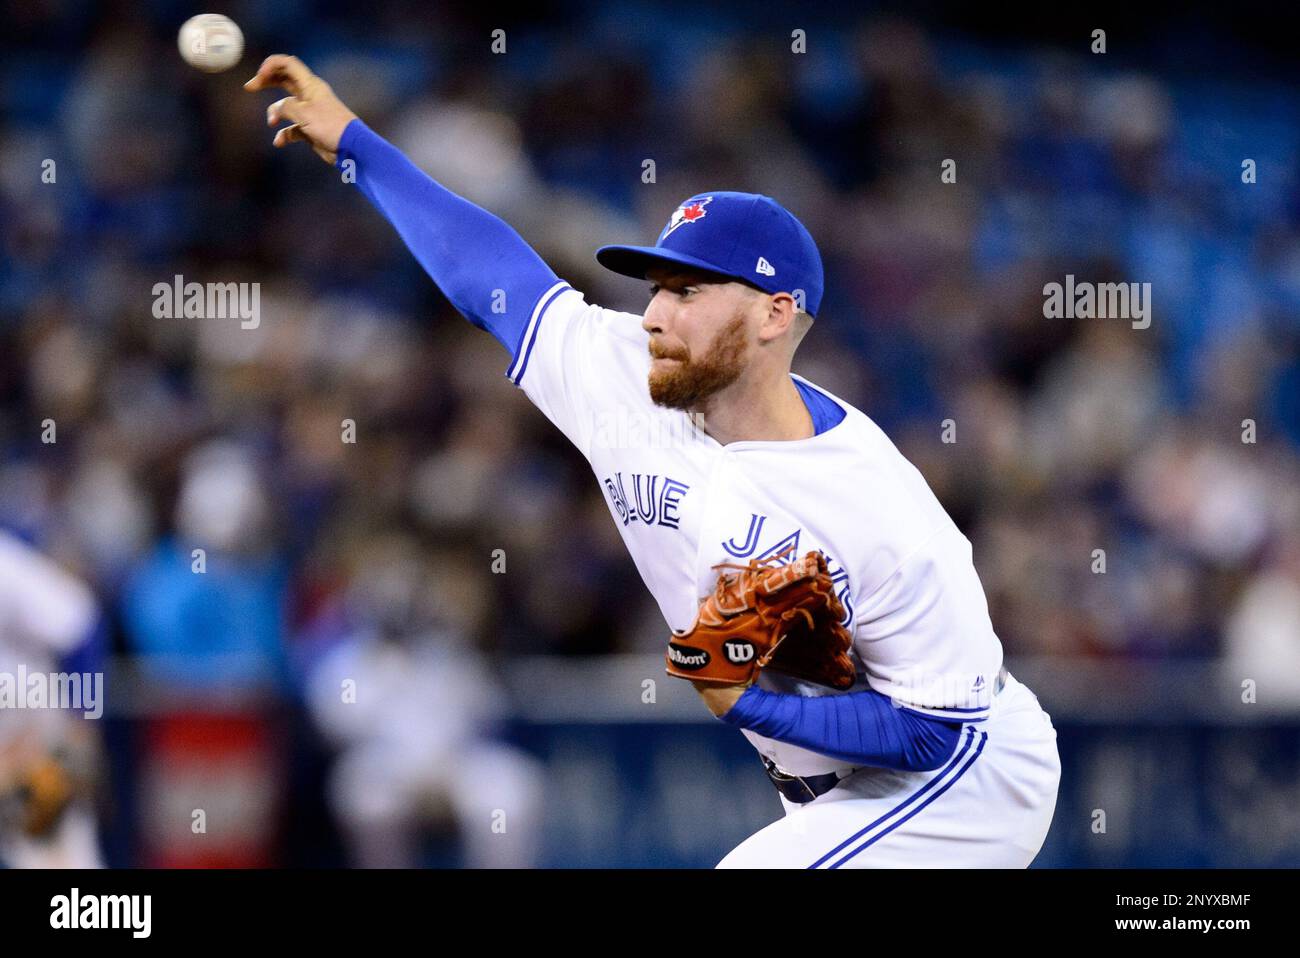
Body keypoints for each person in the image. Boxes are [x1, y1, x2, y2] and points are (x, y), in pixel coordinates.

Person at [246, 55, 1060, 867]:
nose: (657, 314)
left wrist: (748, 703)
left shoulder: (875, 503)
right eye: (656, 285)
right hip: (844, 790)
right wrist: (358, 145)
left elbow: (935, 733)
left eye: (691, 291)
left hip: (964, 781)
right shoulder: (624, 376)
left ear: (775, 314)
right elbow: (491, 275)